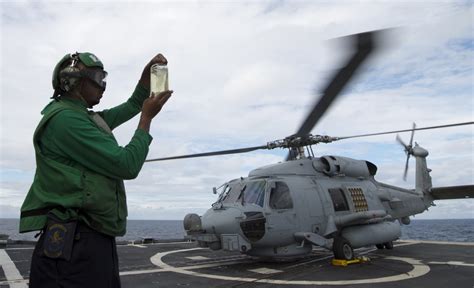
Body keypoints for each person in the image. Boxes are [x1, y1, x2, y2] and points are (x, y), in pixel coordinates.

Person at [19, 52, 173, 287]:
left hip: (88, 240)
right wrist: (146, 120)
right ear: (74, 81)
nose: (103, 86)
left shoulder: (85, 118)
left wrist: (146, 77)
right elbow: (126, 165)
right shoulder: (66, 121)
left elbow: (132, 104)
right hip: (74, 247)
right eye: (98, 78)